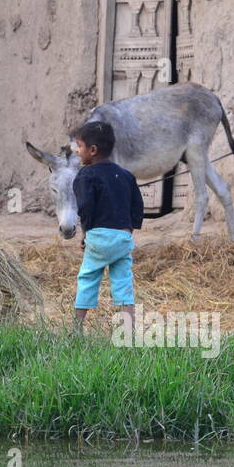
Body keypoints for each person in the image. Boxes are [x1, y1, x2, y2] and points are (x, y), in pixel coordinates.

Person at [70, 121, 143, 334]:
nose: (77, 150)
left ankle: (77, 329)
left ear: (92, 151)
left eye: (79, 146)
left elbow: (85, 208)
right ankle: (128, 330)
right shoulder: (126, 175)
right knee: (123, 281)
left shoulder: (85, 176)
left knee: (88, 277)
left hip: (99, 238)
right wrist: (129, 229)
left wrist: (85, 234)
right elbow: (137, 205)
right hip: (123, 238)